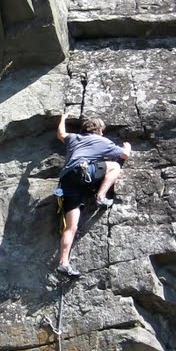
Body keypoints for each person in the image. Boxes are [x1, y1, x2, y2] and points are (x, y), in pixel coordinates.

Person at [54, 110, 131, 281]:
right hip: (83, 173)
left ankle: (63, 263)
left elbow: (60, 133)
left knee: (71, 227)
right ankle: (100, 197)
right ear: (100, 130)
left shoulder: (74, 138)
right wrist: (128, 148)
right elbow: (124, 156)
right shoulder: (102, 141)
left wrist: (63, 118)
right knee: (115, 167)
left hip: (66, 181)